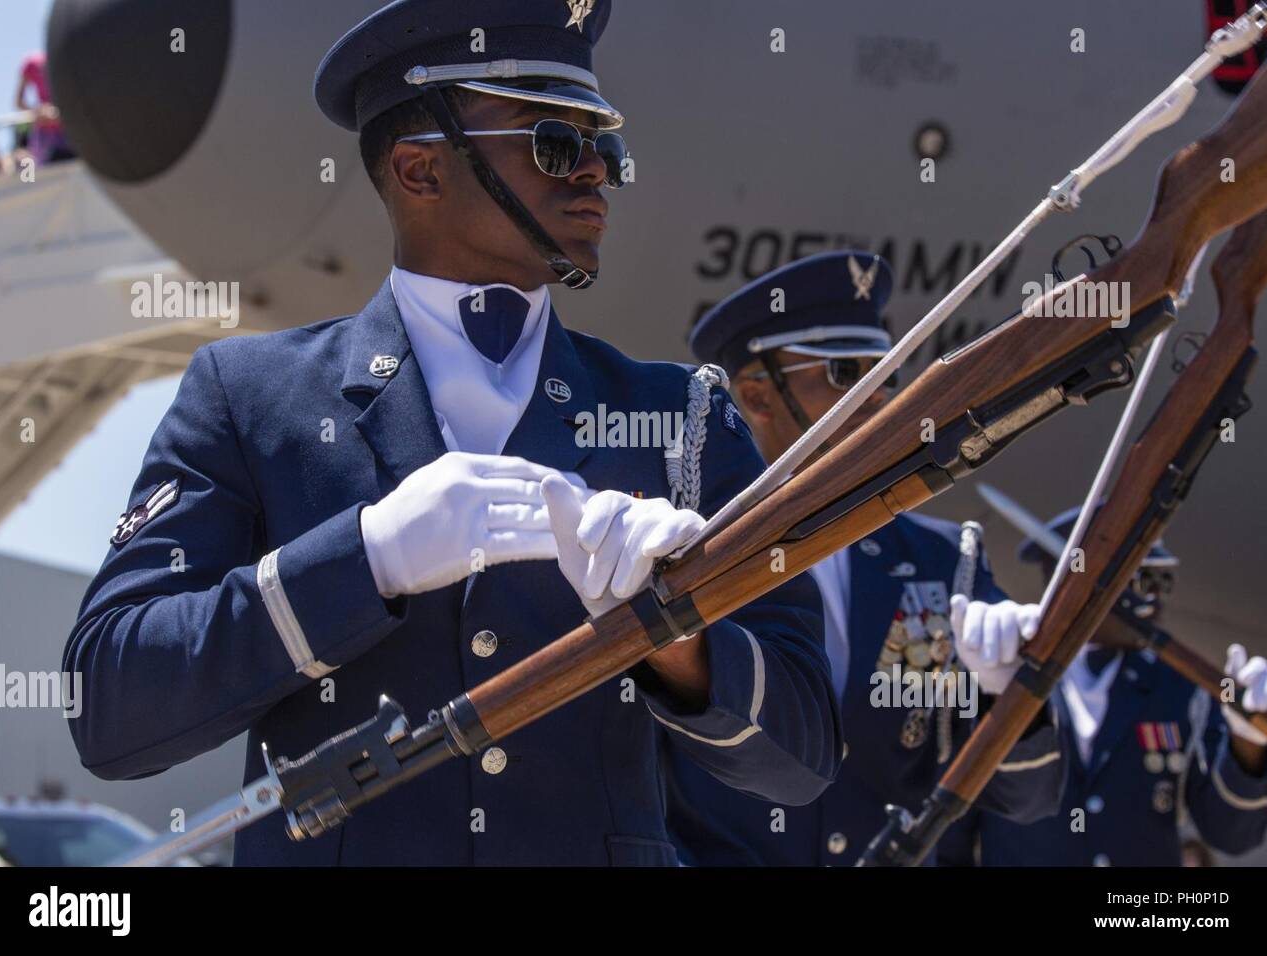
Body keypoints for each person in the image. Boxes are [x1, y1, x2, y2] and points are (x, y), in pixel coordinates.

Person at [64, 0, 843, 866]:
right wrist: (363, 560)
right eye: (554, 141)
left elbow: (804, 755)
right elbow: (109, 703)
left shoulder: (685, 419)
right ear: (419, 170)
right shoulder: (249, 397)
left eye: (604, 147)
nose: (594, 173)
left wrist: (679, 639)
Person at [664, 251, 1064, 865]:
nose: (881, 402)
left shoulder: (942, 562)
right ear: (757, 395)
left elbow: (1028, 798)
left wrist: (1006, 698)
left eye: (889, 377)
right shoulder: (686, 550)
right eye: (848, 372)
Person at [939, 506, 1267, 866]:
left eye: (1163, 582)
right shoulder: (994, 679)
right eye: (1143, 581)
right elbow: (951, 834)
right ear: (1075, 578)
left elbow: (1232, 835)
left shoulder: (1181, 687)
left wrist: (1247, 742)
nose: (1156, 600)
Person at [15, 52, 73, 164]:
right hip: (45, 136)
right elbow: (19, 101)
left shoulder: (67, 61)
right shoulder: (32, 63)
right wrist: (39, 112)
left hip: (70, 131)